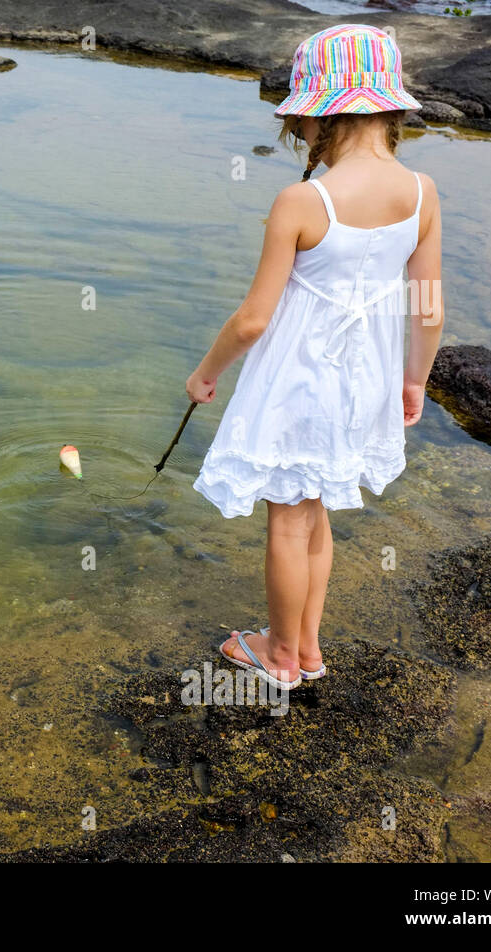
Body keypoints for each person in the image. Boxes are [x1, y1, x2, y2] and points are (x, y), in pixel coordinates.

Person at [185, 24, 444, 691]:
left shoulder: (303, 200)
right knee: (321, 508)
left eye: (301, 122)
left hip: (301, 382)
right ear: (390, 107)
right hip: (368, 382)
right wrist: (413, 379)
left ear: (319, 116)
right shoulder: (422, 193)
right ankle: (307, 646)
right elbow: (430, 309)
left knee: (286, 517)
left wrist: (205, 374)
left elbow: (252, 320)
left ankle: (275, 654)